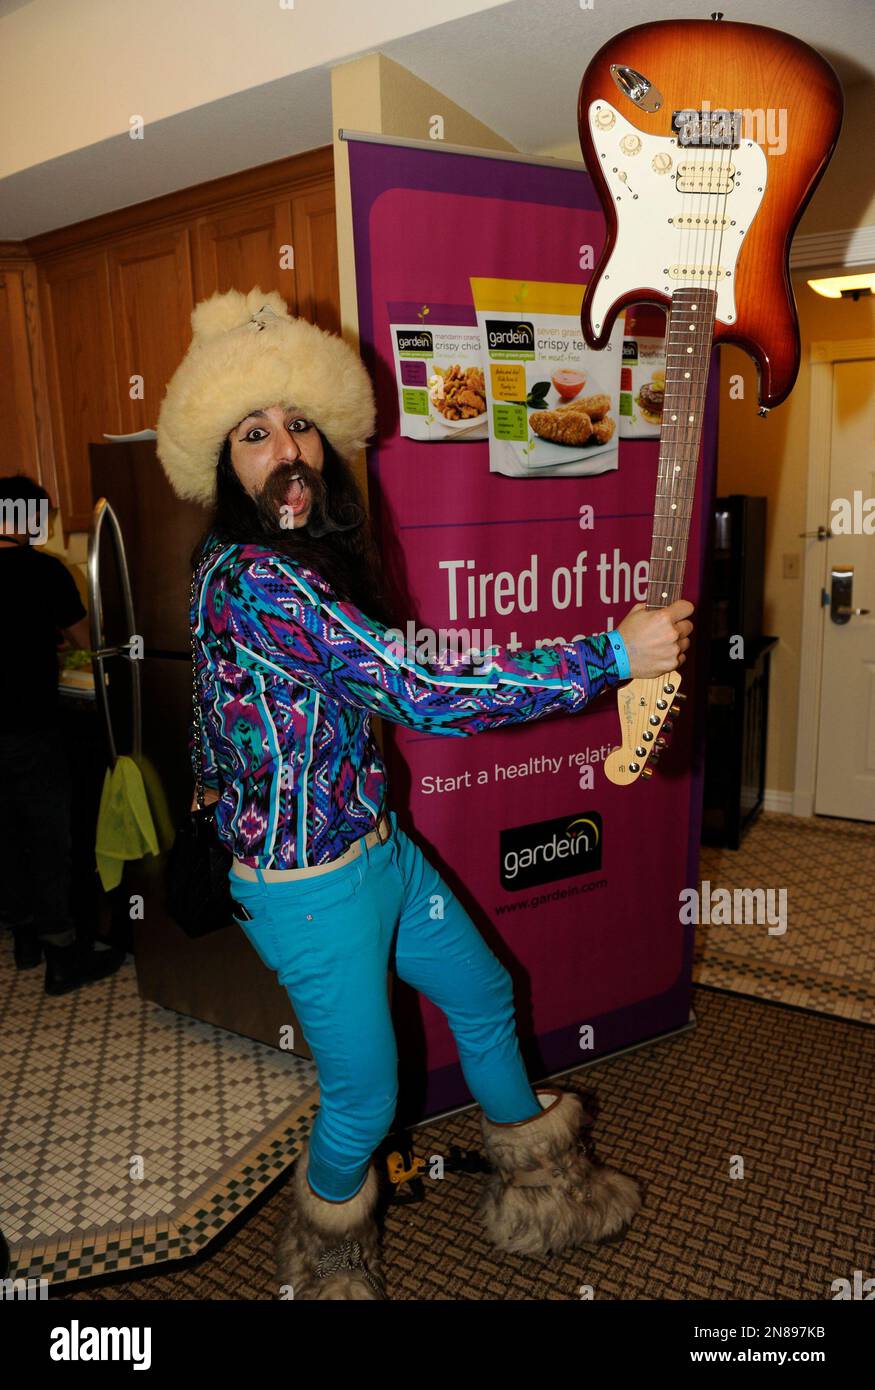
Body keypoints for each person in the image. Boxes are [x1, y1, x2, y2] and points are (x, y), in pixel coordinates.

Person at [155, 287, 694, 1300]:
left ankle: (546, 1196)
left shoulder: (288, 566)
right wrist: (612, 653)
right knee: (364, 1099)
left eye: (301, 425)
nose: (288, 453)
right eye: (255, 434)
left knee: (484, 994)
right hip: (309, 887)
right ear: (222, 464)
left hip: (381, 854)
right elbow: (425, 691)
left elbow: (256, 719)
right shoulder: (256, 583)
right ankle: (323, 1275)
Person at [0, 475, 125, 995]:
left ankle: (24, 938)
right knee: (48, 837)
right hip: (30, 727)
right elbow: (87, 639)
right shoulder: (43, 571)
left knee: (5, 836)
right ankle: (62, 958)